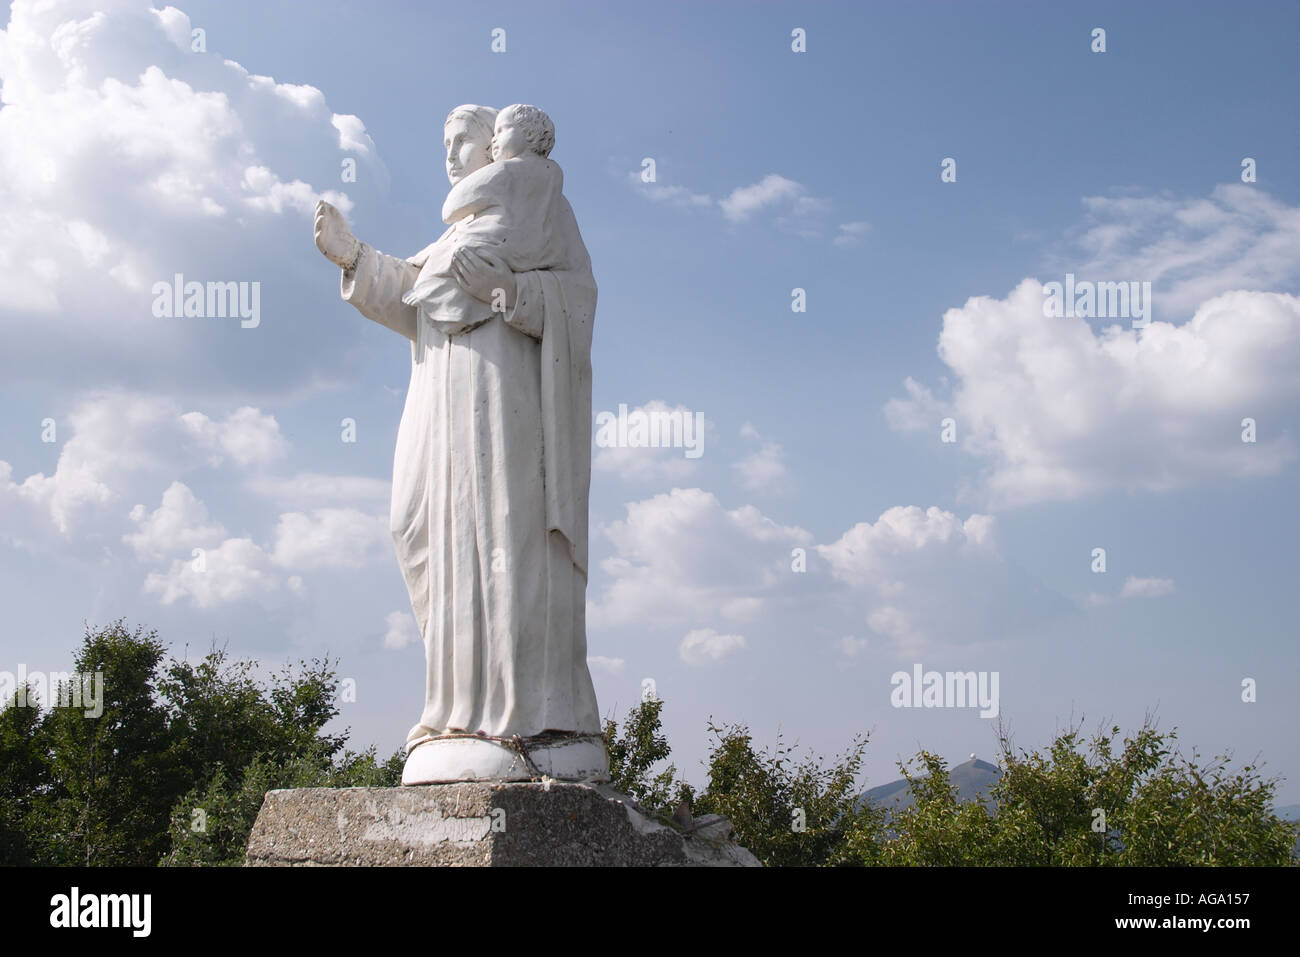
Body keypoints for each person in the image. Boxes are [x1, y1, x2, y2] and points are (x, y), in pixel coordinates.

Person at [312, 104, 602, 778]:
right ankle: (453, 710)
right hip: (438, 395)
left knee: (504, 537)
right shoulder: (449, 240)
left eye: (463, 140)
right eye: (442, 142)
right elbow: (413, 292)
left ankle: (525, 719)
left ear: (496, 145)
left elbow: (577, 297)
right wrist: (352, 256)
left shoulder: (539, 209)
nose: (449, 153)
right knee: (417, 527)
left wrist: (505, 290)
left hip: (504, 396)